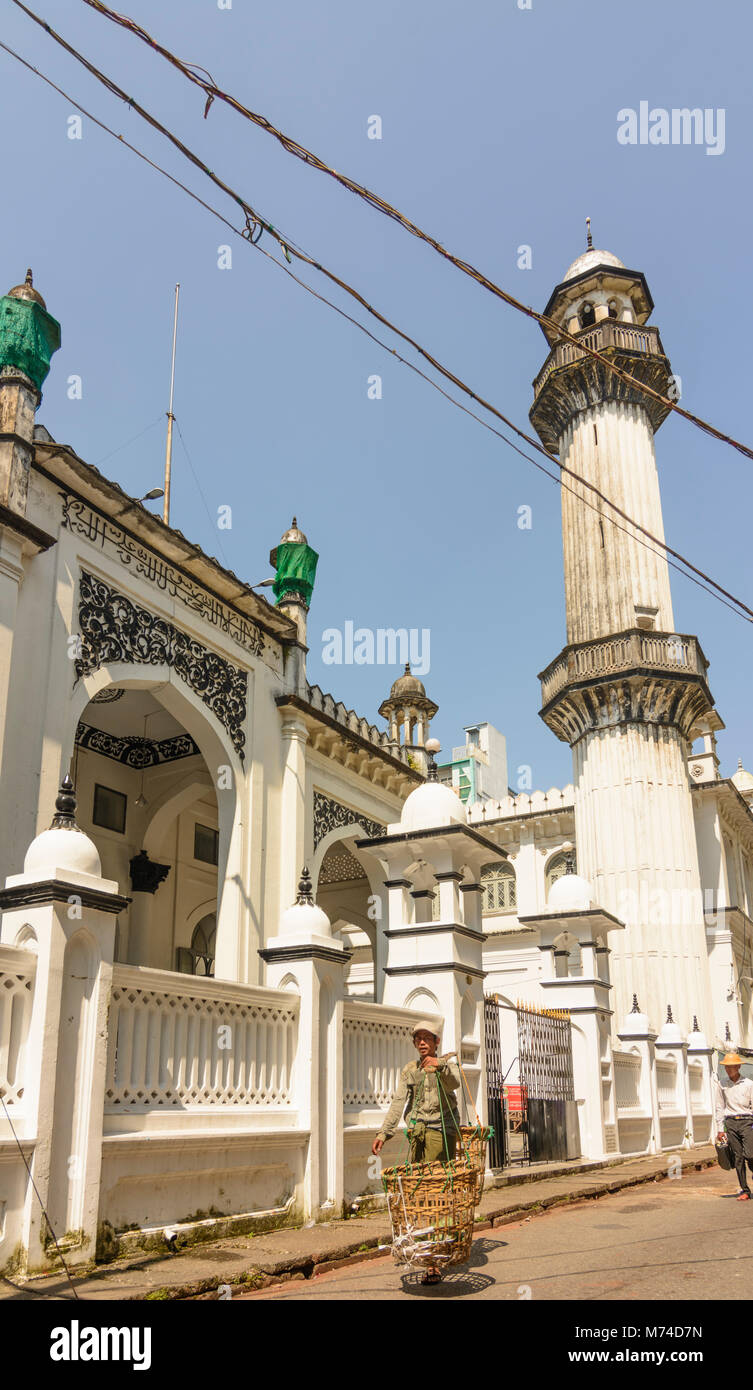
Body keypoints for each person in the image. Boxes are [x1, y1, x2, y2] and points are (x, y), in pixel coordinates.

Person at [371, 1020, 462, 1165]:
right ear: (414, 1043)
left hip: (441, 1128)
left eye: (426, 1038)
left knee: (434, 1179)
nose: (422, 1043)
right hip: (417, 1129)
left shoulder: (447, 1066)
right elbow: (398, 1102)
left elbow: (454, 1082)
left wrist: (439, 1065)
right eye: (418, 1039)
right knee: (419, 1178)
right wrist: (383, 1133)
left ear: (436, 1041)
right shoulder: (410, 1069)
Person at [713, 1051, 753, 1201]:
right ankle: (745, 1190)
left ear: (738, 1066)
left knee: (750, 1154)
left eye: (732, 1067)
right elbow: (719, 1106)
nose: (729, 1070)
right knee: (738, 1157)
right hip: (730, 1122)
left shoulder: (749, 1084)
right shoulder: (722, 1084)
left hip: (747, 1121)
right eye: (727, 1067)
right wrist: (719, 1129)